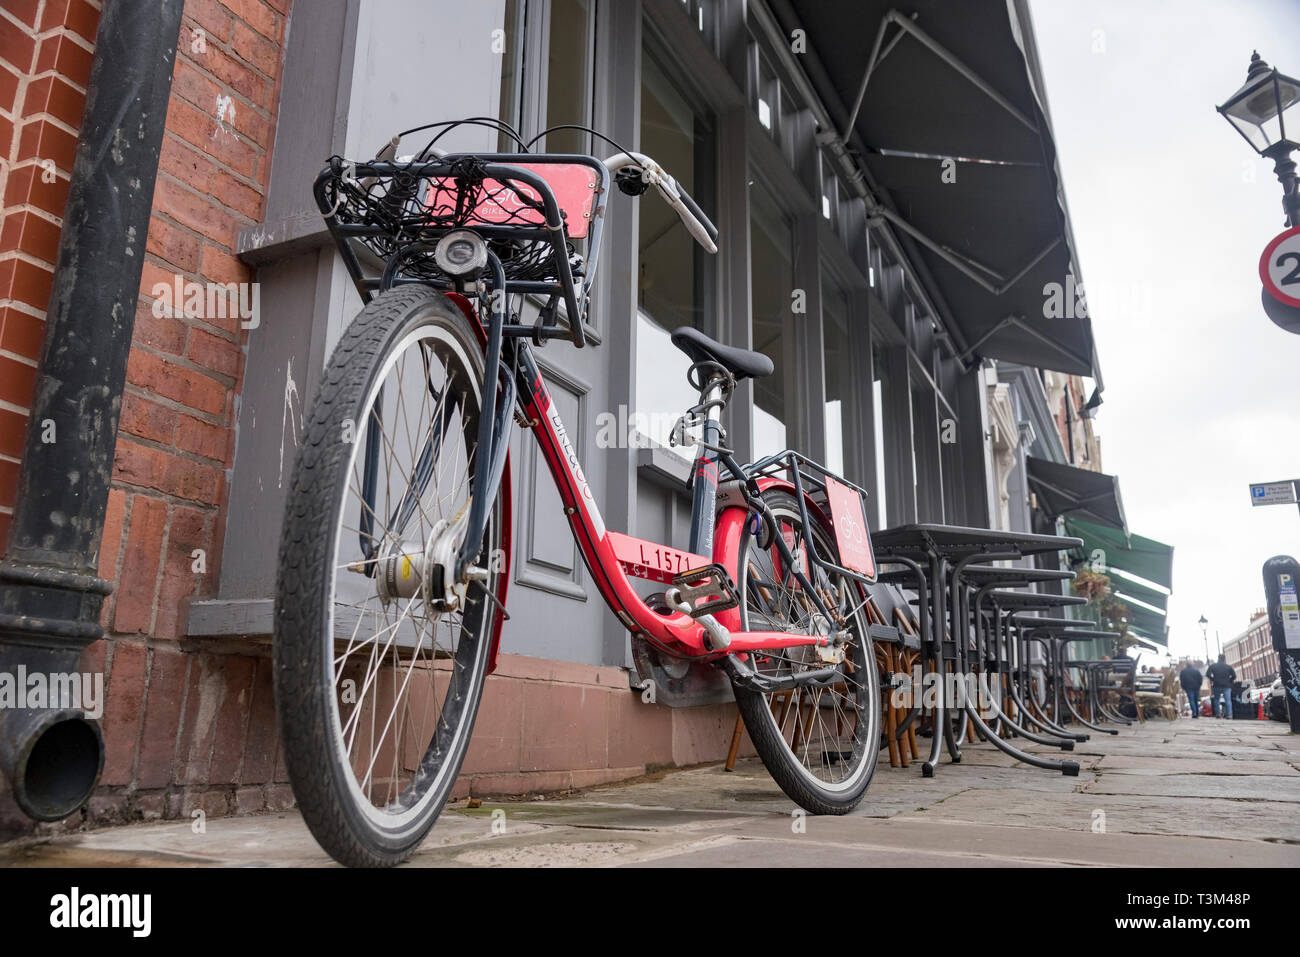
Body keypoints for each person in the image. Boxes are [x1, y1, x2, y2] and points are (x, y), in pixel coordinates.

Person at [1206, 654, 1236, 719]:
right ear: (1224, 659)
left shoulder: (1213, 666)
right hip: (1227, 685)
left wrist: (1213, 679)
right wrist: (1229, 680)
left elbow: (1207, 674)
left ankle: (1218, 714)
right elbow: (1234, 676)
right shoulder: (1228, 667)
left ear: (1218, 658)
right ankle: (1229, 715)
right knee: (1228, 700)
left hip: (1216, 685)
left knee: (1216, 700)